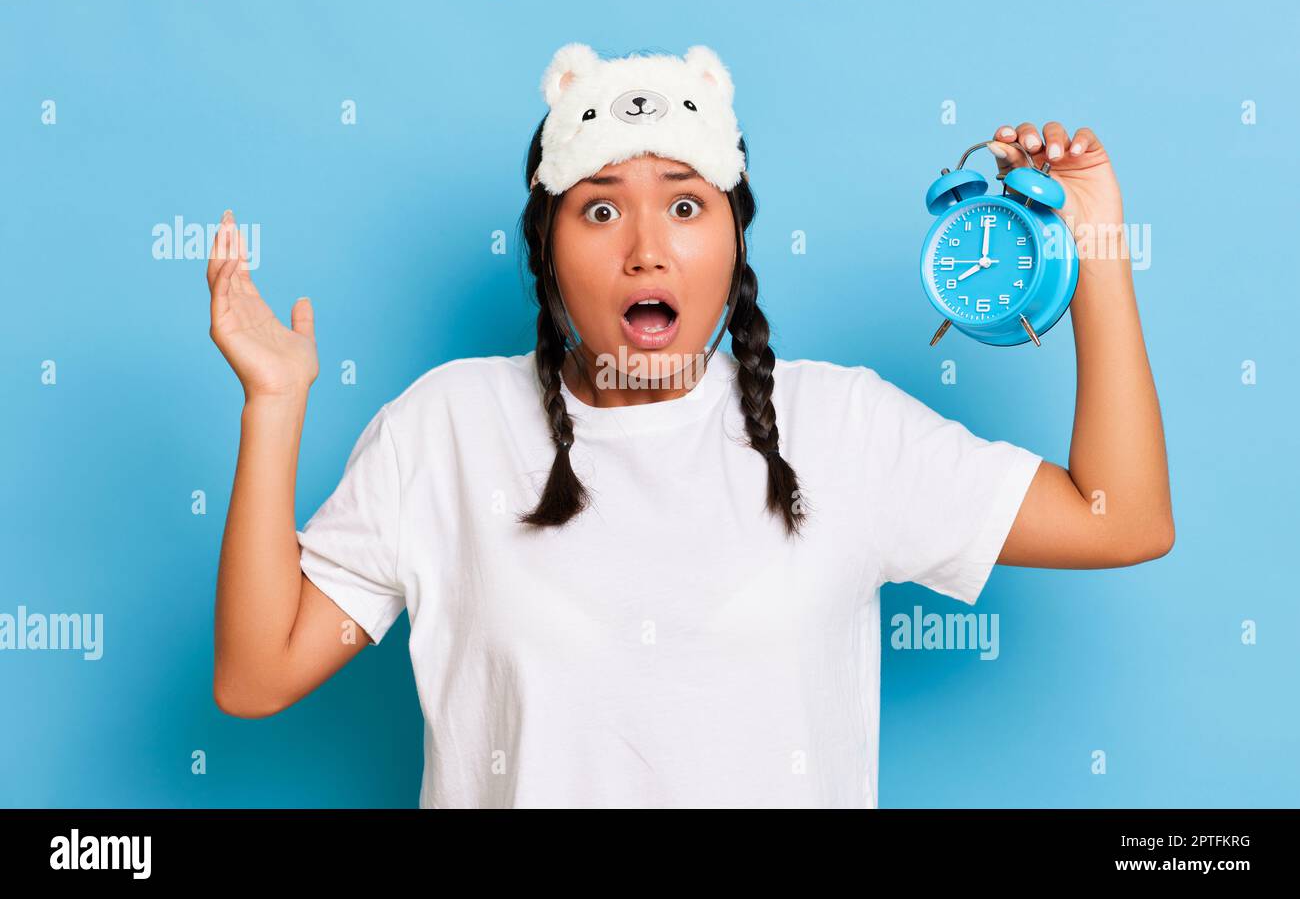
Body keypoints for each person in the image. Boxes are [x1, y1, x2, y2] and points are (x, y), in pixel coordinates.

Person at [207, 43, 1173, 808]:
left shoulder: (840, 428)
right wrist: (274, 406)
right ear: (545, 250)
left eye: (683, 203)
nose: (646, 249)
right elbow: (256, 676)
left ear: (733, 238)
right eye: (598, 211)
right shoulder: (444, 428)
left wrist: (1094, 244)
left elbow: (1119, 516)